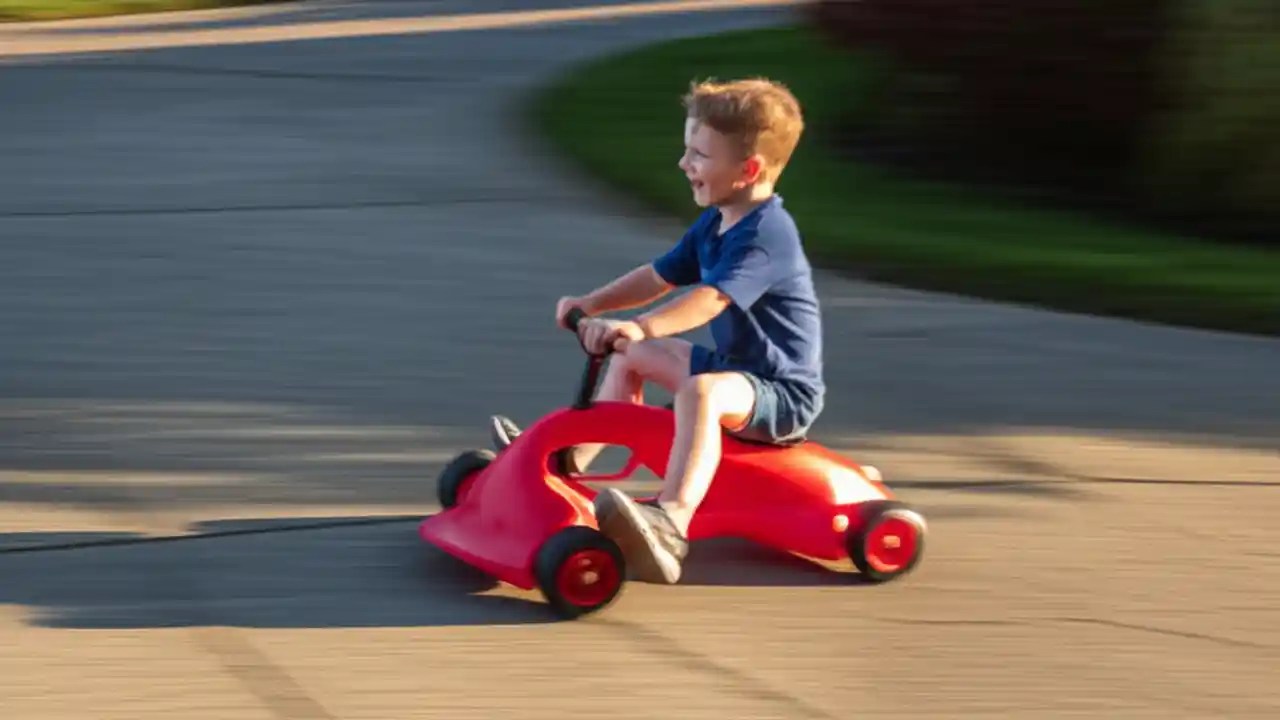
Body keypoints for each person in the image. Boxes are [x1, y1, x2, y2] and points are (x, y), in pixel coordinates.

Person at [492, 77, 825, 585]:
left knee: (700, 392)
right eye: (686, 149)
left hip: (781, 392)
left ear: (748, 170)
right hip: (735, 369)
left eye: (698, 154)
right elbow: (657, 276)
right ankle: (568, 461)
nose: (683, 164)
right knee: (630, 358)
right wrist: (593, 303)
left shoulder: (766, 237)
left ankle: (672, 520)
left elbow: (709, 300)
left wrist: (641, 325)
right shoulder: (716, 223)